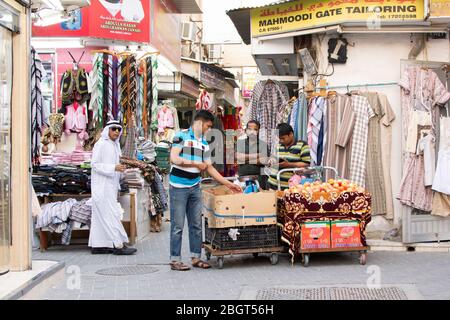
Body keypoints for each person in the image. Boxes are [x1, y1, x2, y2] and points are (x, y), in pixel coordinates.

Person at [169, 110, 242, 271]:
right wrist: (194, 164)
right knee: (177, 226)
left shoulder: (203, 143)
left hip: (195, 187)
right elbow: (174, 158)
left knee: (196, 225)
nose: (209, 130)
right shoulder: (180, 136)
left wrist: (228, 184)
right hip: (178, 187)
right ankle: (175, 260)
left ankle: (196, 258)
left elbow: (209, 168)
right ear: (200, 122)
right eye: (208, 126)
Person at [88, 120, 137, 255]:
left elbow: (115, 165)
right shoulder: (101, 144)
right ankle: (118, 245)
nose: (116, 131)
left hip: (111, 186)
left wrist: (120, 170)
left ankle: (99, 245)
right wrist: (113, 168)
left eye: (118, 129)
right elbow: (95, 164)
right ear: (107, 130)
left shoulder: (115, 146)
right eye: (114, 129)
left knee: (102, 216)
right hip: (102, 186)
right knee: (109, 215)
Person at [267, 123, 311, 191]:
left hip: (289, 187)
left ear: (291, 134)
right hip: (272, 183)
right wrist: (271, 162)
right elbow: (273, 158)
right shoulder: (278, 146)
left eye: (283, 138)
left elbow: (306, 163)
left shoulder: (302, 145)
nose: (281, 140)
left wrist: (289, 164)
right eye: (279, 138)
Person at [236, 120, 270, 189]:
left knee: (260, 198)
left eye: (255, 129)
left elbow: (264, 160)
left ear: (258, 131)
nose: (252, 131)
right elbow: (238, 157)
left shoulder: (263, 144)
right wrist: (257, 155)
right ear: (246, 130)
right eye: (249, 129)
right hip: (242, 178)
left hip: (259, 179)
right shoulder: (240, 143)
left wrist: (245, 159)